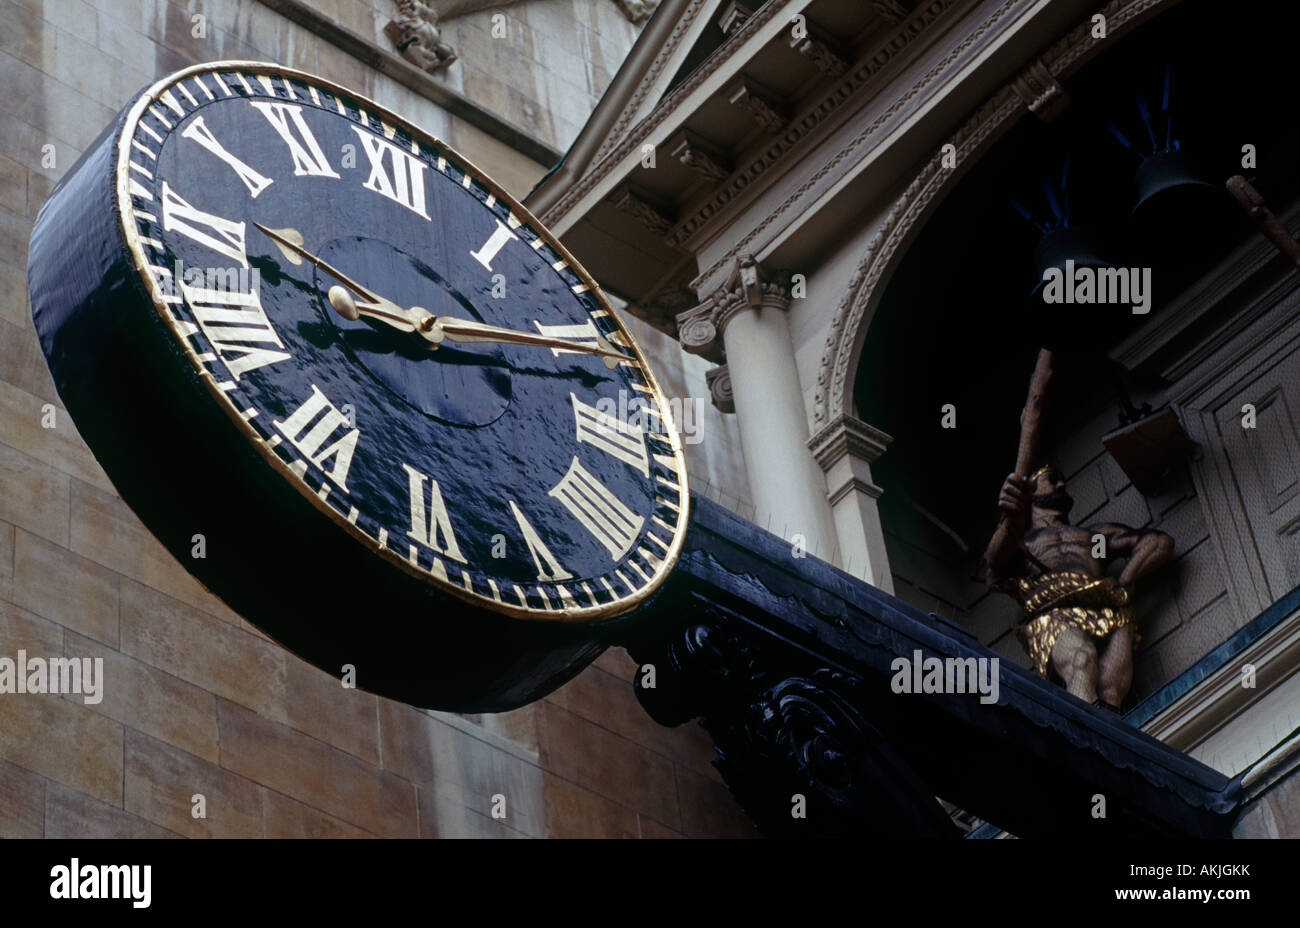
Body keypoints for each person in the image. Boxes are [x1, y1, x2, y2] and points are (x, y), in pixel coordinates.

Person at [985, 464, 1173, 711]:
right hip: (1054, 613)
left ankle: (1114, 740)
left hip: (1107, 607)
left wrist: (1126, 580)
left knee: (1111, 688)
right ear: (1029, 491)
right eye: (1052, 479)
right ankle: (1089, 741)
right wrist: (1010, 516)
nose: (1061, 485)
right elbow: (994, 564)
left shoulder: (1093, 539)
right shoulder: (1023, 544)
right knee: (1081, 659)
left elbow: (1157, 543)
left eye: (1062, 479)